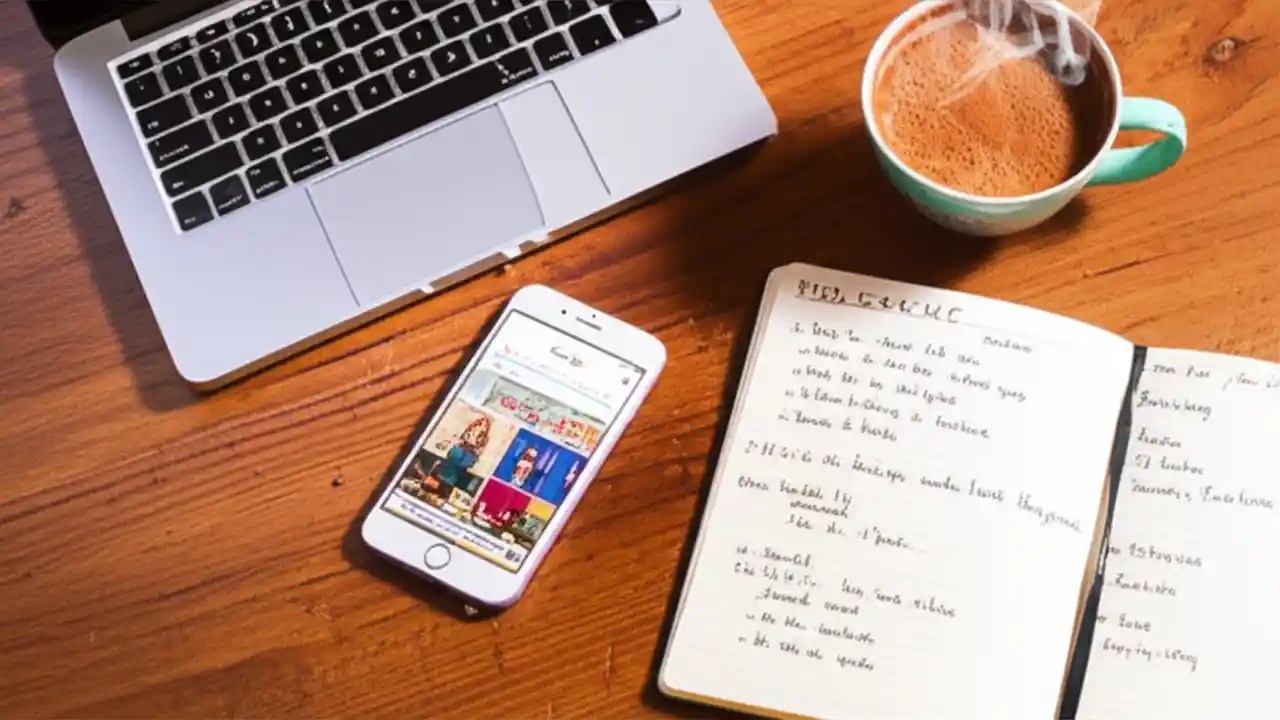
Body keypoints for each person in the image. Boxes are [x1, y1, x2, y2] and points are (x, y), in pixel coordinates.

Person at [432, 415, 491, 495]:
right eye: (479, 425)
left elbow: (469, 462)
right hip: (452, 466)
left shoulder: (472, 454)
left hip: (455, 470)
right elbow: (439, 451)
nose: (478, 430)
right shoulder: (458, 442)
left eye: (482, 432)